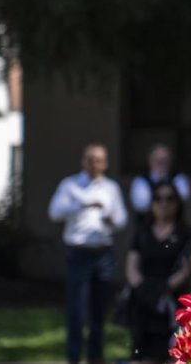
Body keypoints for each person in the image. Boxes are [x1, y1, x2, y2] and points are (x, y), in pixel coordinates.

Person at [48, 143, 128, 364]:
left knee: (99, 310)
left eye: (100, 159)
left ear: (106, 163)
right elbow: (54, 212)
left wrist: (111, 219)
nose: (95, 163)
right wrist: (81, 205)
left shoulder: (111, 188)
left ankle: (96, 357)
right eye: (91, 159)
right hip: (78, 253)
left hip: (103, 254)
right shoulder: (70, 186)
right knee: (76, 310)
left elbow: (121, 219)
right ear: (83, 161)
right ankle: (73, 358)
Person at [124, 181, 191, 364]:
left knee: (172, 355)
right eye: (158, 198)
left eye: (169, 198)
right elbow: (132, 264)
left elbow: (187, 269)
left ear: (177, 203)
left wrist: (163, 288)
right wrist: (144, 289)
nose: (163, 203)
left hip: (172, 301)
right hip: (144, 301)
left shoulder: (185, 233)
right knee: (141, 356)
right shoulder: (143, 231)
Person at [128, 145, 191, 220]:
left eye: (165, 160)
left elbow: (183, 197)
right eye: (158, 161)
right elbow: (141, 205)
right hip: (147, 226)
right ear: (150, 161)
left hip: (175, 226)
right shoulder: (141, 180)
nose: (162, 164)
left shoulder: (178, 177)